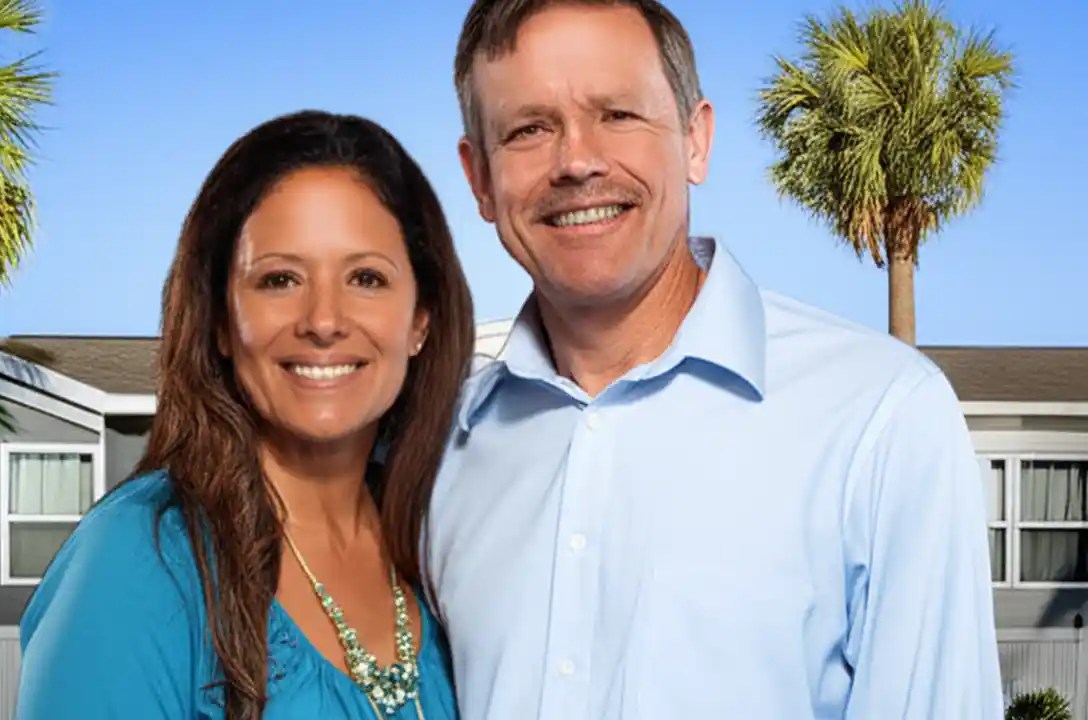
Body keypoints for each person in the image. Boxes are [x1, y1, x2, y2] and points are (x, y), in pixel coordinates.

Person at [424, 1, 1004, 718]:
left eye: (618, 114)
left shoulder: (879, 419)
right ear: (478, 177)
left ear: (695, 140)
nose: (576, 161)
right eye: (529, 129)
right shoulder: (441, 447)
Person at [15, 110, 474, 719]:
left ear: (421, 318)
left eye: (366, 277)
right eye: (280, 279)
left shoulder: (440, 548)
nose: (324, 320)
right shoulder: (139, 560)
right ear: (222, 321)